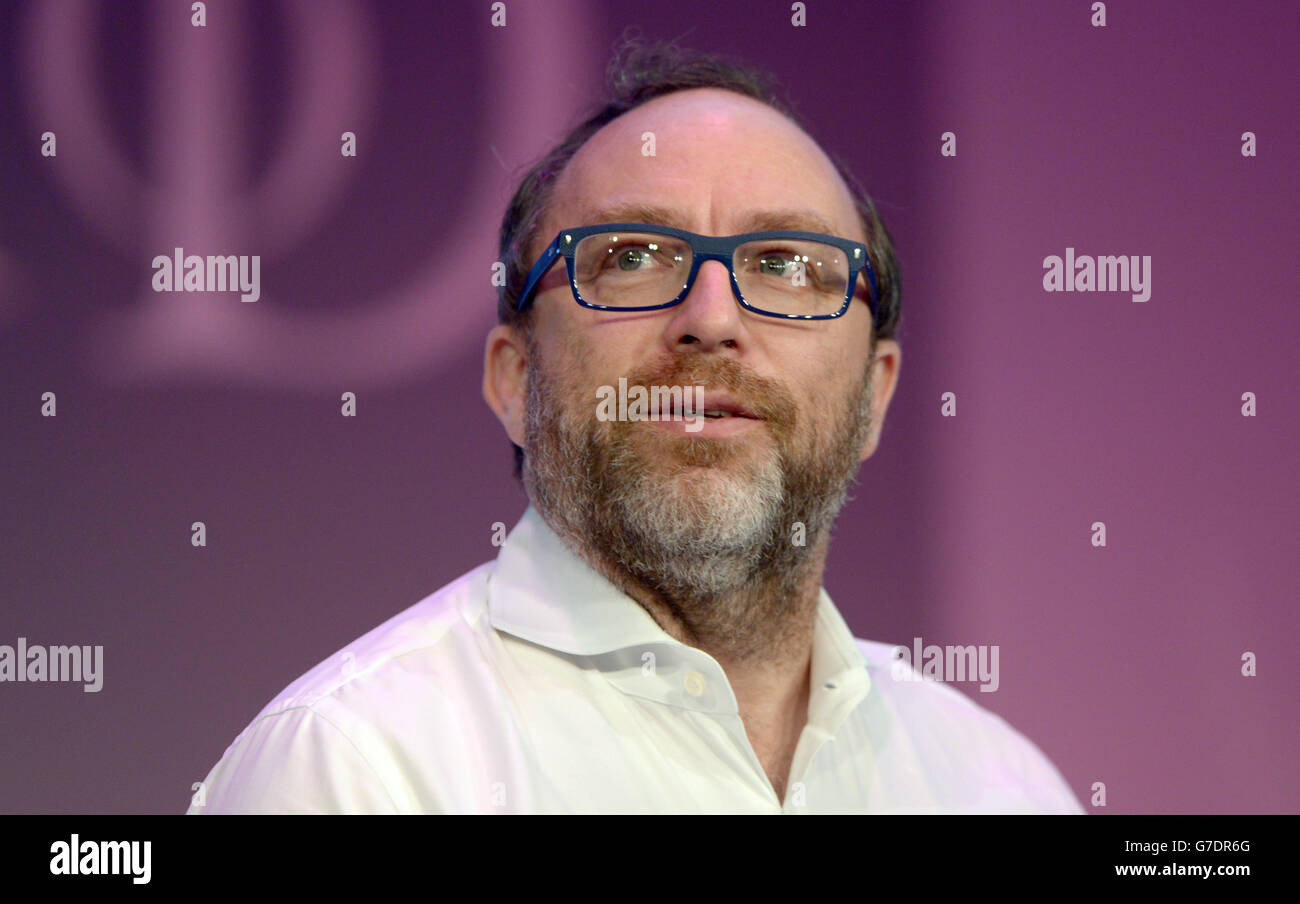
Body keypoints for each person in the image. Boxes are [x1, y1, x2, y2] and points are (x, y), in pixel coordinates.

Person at [188, 40, 1082, 814]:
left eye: (784, 264)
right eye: (631, 258)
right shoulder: (354, 769)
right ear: (514, 377)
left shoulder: (1000, 786)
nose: (711, 316)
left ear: (876, 396)